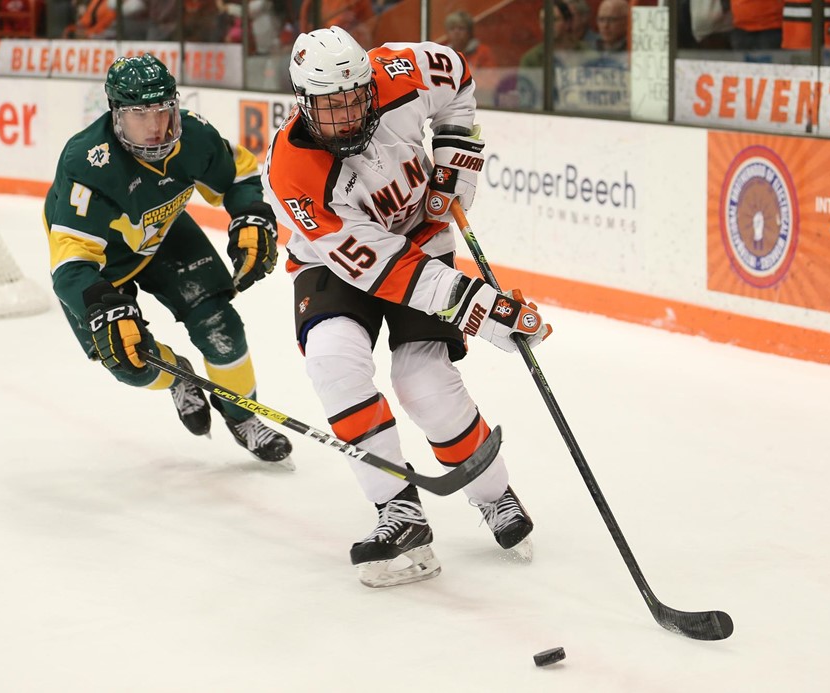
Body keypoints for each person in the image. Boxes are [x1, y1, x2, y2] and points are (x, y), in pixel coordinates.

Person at [262, 26, 552, 587]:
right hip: (334, 262)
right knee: (332, 358)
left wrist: (453, 159)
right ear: (302, 103)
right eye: (329, 106)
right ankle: (397, 509)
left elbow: (459, 79)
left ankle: (494, 495)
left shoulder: (398, 71)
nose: (346, 116)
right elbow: (384, 270)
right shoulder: (293, 170)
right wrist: (485, 311)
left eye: (353, 99)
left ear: (369, 84)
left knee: (423, 380)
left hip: (423, 236)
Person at [43, 54, 293, 467]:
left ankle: (242, 417)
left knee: (220, 324)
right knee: (130, 362)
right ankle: (178, 375)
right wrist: (103, 304)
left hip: (162, 234)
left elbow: (239, 175)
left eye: (164, 110)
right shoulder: (87, 163)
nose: (158, 126)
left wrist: (250, 213)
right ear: (117, 114)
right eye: (142, 115)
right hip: (101, 266)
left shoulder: (192, 134)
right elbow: (70, 265)